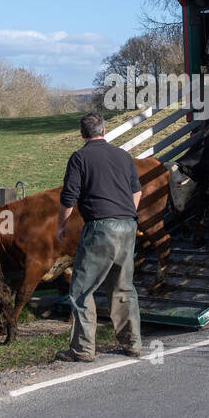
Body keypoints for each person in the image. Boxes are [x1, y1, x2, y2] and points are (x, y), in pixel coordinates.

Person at [54, 113, 143, 362]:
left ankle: (83, 349)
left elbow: (68, 197)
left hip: (100, 228)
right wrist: (128, 215)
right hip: (128, 226)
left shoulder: (80, 158)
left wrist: (61, 225)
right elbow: (138, 191)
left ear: (82, 134)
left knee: (82, 289)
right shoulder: (123, 156)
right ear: (105, 131)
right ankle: (133, 343)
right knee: (123, 286)